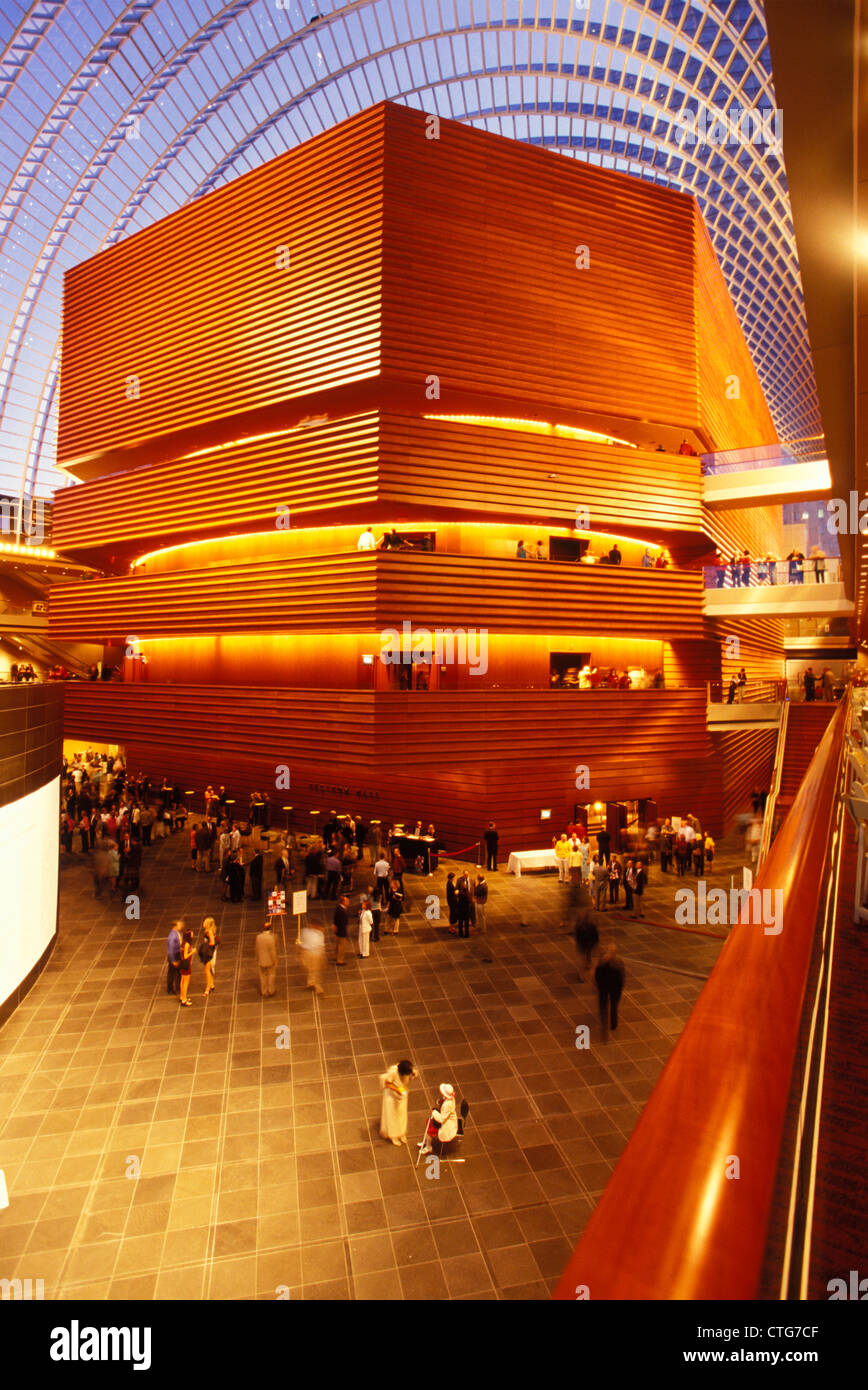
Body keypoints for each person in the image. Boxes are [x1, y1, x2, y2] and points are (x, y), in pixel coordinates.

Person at [379, 1060, 416, 1146]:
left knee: (401, 1114)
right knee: (393, 1116)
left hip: (402, 1094)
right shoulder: (393, 1072)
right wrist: (397, 1089)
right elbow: (387, 1083)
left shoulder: (409, 1069)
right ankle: (393, 1136)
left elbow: (413, 1074)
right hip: (392, 1096)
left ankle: (401, 1133)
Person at [595, 942, 626, 1041]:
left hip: (604, 987)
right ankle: (613, 1024)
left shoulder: (601, 962)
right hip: (615, 988)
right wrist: (621, 986)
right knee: (614, 1006)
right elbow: (622, 977)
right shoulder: (619, 963)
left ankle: (604, 1026)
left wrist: (598, 984)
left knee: (603, 1005)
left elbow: (597, 974)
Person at [419, 1082, 459, 1155]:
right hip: (444, 1118)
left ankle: (428, 1147)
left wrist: (434, 1112)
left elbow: (441, 1119)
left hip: (445, 1124)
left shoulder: (447, 1105)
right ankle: (426, 1141)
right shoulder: (450, 1099)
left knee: (429, 1131)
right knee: (429, 1126)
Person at [299, 922, 325, 994]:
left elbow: (301, 941)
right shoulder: (319, 934)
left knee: (311, 969)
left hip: (306, 953)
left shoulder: (304, 931)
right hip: (315, 954)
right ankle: (317, 987)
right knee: (315, 970)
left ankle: (310, 982)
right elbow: (321, 946)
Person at [255, 921, 278, 997]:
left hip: (261, 960)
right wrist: (275, 961)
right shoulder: (271, 938)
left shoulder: (258, 937)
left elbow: (257, 949)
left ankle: (264, 991)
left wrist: (257, 958)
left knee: (262, 976)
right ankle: (271, 990)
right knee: (271, 975)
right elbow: (273, 951)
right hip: (270, 961)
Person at [199, 917, 217, 995]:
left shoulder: (209, 932)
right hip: (211, 952)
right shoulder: (211, 931)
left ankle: (207, 988)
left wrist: (205, 946)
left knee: (207, 970)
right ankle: (212, 984)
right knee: (210, 969)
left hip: (209, 953)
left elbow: (212, 942)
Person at [179, 926, 195, 1007]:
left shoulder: (183, 942)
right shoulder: (187, 944)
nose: (193, 935)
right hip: (186, 964)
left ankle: (182, 996)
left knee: (182, 980)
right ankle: (184, 999)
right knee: (186, 982)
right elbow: (185, 956)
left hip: (182, 964)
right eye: (192, 934)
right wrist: (192, 952)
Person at [167, 921, 182, 996]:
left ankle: (177, 987)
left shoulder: (177, 933)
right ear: (175, 926)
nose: (181, 926)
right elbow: (171, 949)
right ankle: (172, 988)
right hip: (174, 955)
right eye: (179, 925)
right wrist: (173, 960)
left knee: (175, 972)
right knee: (173, 973)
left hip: (177, 954)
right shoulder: (173, 936)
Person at [456, 871, 472, 938]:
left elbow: (457, 898)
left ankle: (460, 933)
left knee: (460, 921)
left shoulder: (460, 893)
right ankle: (466, 934)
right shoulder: (467, 895)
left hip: (460, 908)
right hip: (466, 909)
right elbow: (469, 901)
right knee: (466, 922)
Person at [333, 895, 349, 964]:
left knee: (337, 944)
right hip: (342, 930)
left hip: (337, 929)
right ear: (343, 902)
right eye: (347, 901)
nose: (348, 902)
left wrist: (335, 925)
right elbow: (344, 922)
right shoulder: (343, 911)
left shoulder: (338, 907)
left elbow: (335, 917)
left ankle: (335, 956)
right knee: (342, 946)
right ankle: (340, 960)